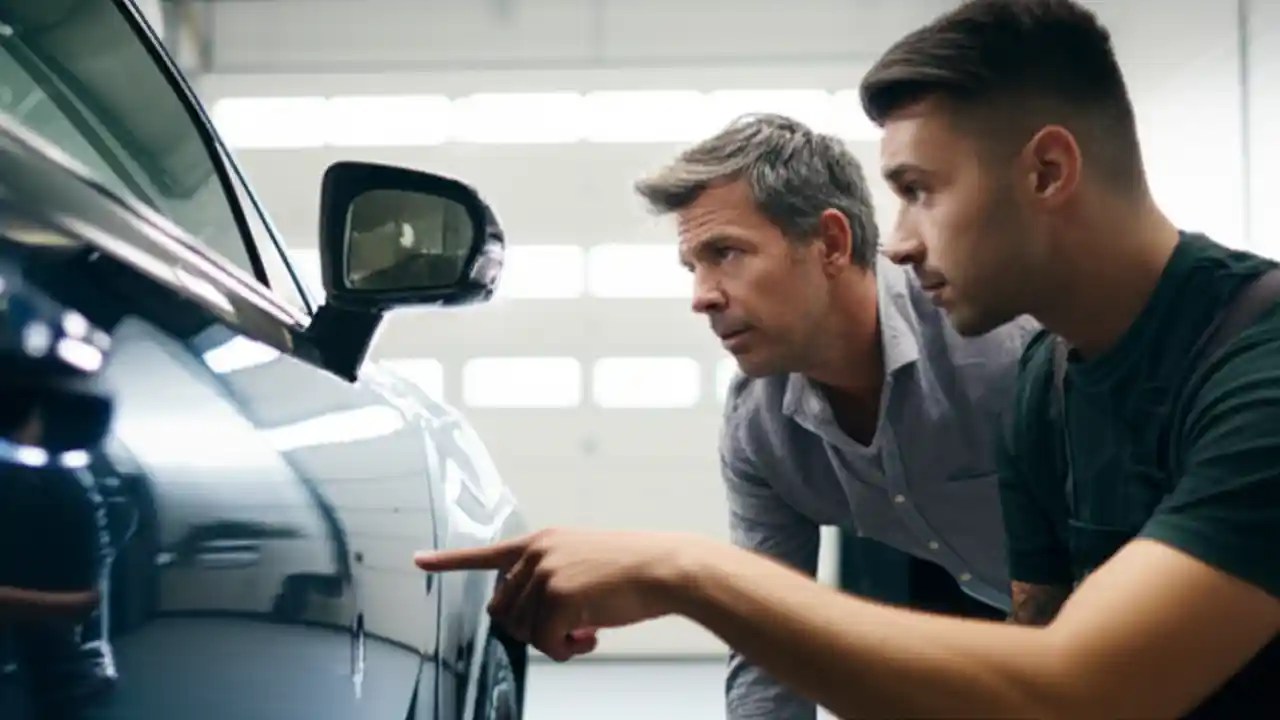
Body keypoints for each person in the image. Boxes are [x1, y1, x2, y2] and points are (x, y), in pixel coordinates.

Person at [415, 1, 1280, 717]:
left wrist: (685, 572)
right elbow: (1039, 660)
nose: (895, 243)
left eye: (918, 193)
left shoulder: (1243, 367)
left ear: (1048, 171)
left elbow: (1077, 690)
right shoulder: (1045, 392)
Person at [630, 113, 1036, 719]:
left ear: (832, 244)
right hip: (974, 611)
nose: (702, 296)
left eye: (727, 254)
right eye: (694, 267)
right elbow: (768, 636)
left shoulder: (999, 345)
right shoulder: (759, 430)